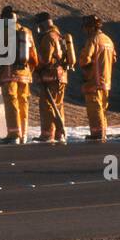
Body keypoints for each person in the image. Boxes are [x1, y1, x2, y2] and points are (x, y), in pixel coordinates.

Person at [0, 5, 37, 144]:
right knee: (23, 103)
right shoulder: (27, 32)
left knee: (12, 104)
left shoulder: (3, 32)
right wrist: (28, 72)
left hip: (8, 74)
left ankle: (13, 135)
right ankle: (23, 135)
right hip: (25, 75)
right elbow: (34, 57)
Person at [32, 12, 69, 144]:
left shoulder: (48, 37)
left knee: (47, 105)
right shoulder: (59, 36)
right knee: (58, 106)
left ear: (42, 25)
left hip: (51, 77)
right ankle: (60, 134)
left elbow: (45, 59)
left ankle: (47, 135)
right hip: (62, 76)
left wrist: (35, 65)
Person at [78, 15, 116, 142]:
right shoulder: (108, 40)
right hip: (106, 81)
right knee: (102, 109)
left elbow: (85, 59)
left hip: (94, 81)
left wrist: (83, 63)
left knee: (95, 109)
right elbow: (114, 59)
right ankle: (102, 132)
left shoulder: (93, 40)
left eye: (86, 28)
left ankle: (97, 134)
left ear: (91, 28)